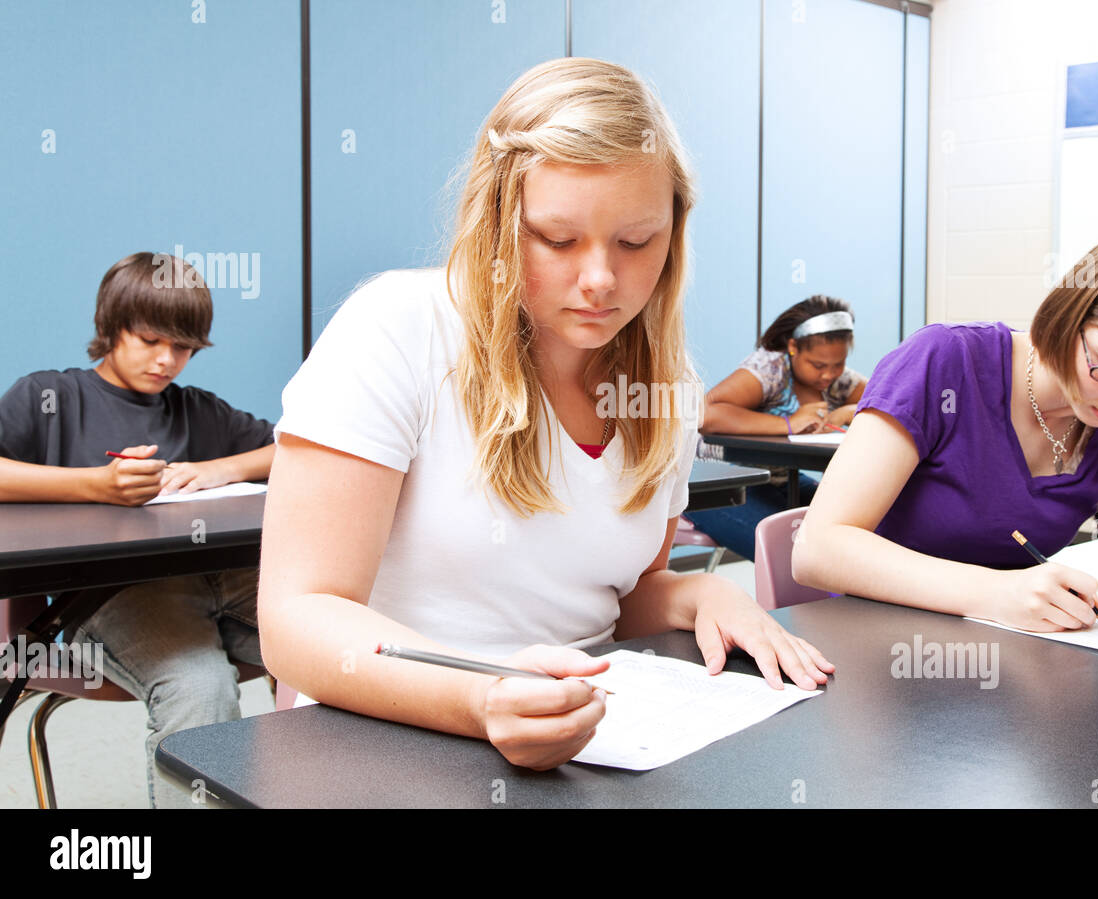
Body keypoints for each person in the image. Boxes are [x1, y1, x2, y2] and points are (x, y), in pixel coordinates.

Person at [257, 58, 833, 772]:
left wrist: (700, 591)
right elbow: (296, 620)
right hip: (383, 742)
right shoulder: (396, 329)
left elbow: (620, 600)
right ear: (498, 221)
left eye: (635, 241)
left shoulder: (665, 387)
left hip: (585, 737)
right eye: (557, 240)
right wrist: (481, 694)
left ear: (673, 231)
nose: (600, 280)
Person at [793, 228, 1098, 632]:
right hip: (877, 651)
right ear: (1070, 316)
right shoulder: (946, 361)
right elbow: (819, 550)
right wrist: (994, 593)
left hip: (1007, 661)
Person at [0, 252, 275, 806]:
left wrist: (222, 468)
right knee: (198, 688)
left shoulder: (199, 411)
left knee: (337, 642)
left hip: (222, 581)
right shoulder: (50, 397)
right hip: (106, 596)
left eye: (183, 348)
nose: (167, 360)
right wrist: (95, 485)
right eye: (150, 341)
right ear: (111, 327)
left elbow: (295, 449)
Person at [689, 296, 867, 560]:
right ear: (793, 347)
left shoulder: (840, 380)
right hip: (717, 485)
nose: (828, 375)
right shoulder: (770, 368)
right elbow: (705, 414)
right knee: (792, 554)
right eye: (818, 365)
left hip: (781, 479)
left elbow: (891, 405)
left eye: (837, 364)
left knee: (853, 531)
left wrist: (848, 411)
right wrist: (788, 424)